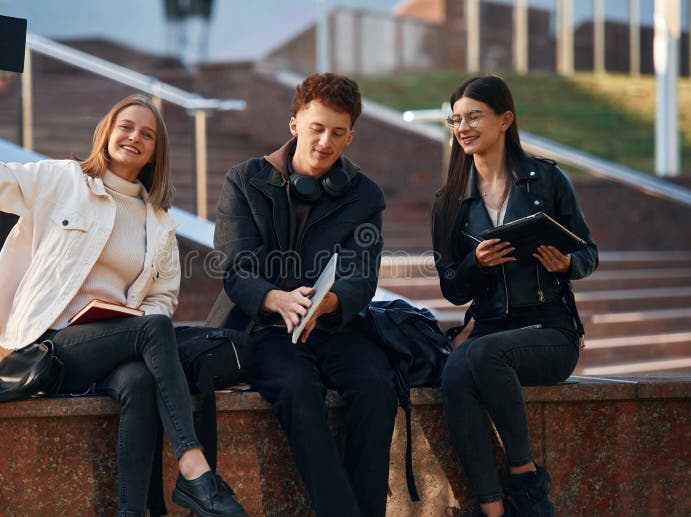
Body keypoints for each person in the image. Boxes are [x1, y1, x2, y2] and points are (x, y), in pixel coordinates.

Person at [0, 46, 246, 517]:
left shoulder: (160, 223)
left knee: (139, 381)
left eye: (146, 135)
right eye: (126, 127)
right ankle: (196, 471)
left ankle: (131, 512)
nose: (134, 137)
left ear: (155, 153)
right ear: (107, 132)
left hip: (111, 346)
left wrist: (134, 319)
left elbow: (163, 296)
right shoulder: (61, 181)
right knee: (153, 331)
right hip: (50, 345)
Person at [207, 73, 398, 517]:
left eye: (337, 132)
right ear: (294, 125)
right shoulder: (245, 180)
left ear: (351, 136)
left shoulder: (366, 195)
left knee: (376, 385)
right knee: (296, 387)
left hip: (333, 324)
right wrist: (277, 298)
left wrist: (329, 302)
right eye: (317, 128)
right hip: (263, 325)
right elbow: (235, 268)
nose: (325, 142)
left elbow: (361, 276)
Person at [431, 76, 598, 517]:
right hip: (490, 329)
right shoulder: (449, 202)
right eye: (456, 119)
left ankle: (526, 482)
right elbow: (451, 288)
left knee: (480, 355)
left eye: (473, 117)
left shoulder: (546, 180)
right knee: (453, 375)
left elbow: (588, 252)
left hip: (549, 331)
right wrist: (476, 264)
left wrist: (566, 264)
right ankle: (492, 509)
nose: (462, 127)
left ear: (505, 120)